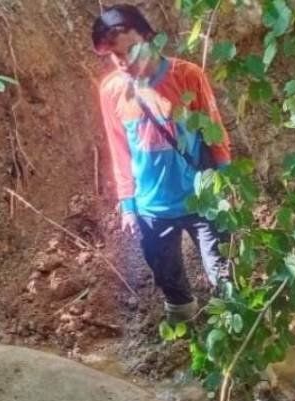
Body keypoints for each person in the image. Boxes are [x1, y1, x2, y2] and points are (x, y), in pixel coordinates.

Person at [93, 4, 233, 322]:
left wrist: (227, 185)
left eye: (132, 50)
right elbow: (119, 150)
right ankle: (183, 334)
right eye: (117, 56)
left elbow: (214, 130)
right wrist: (128, 205)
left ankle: (235, 338)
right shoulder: (112, 90)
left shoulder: (187, 75)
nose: (125, 61)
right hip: (151, 208)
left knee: (225, 275)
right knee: (169, 281)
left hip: (202, 199)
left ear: (151, 40)